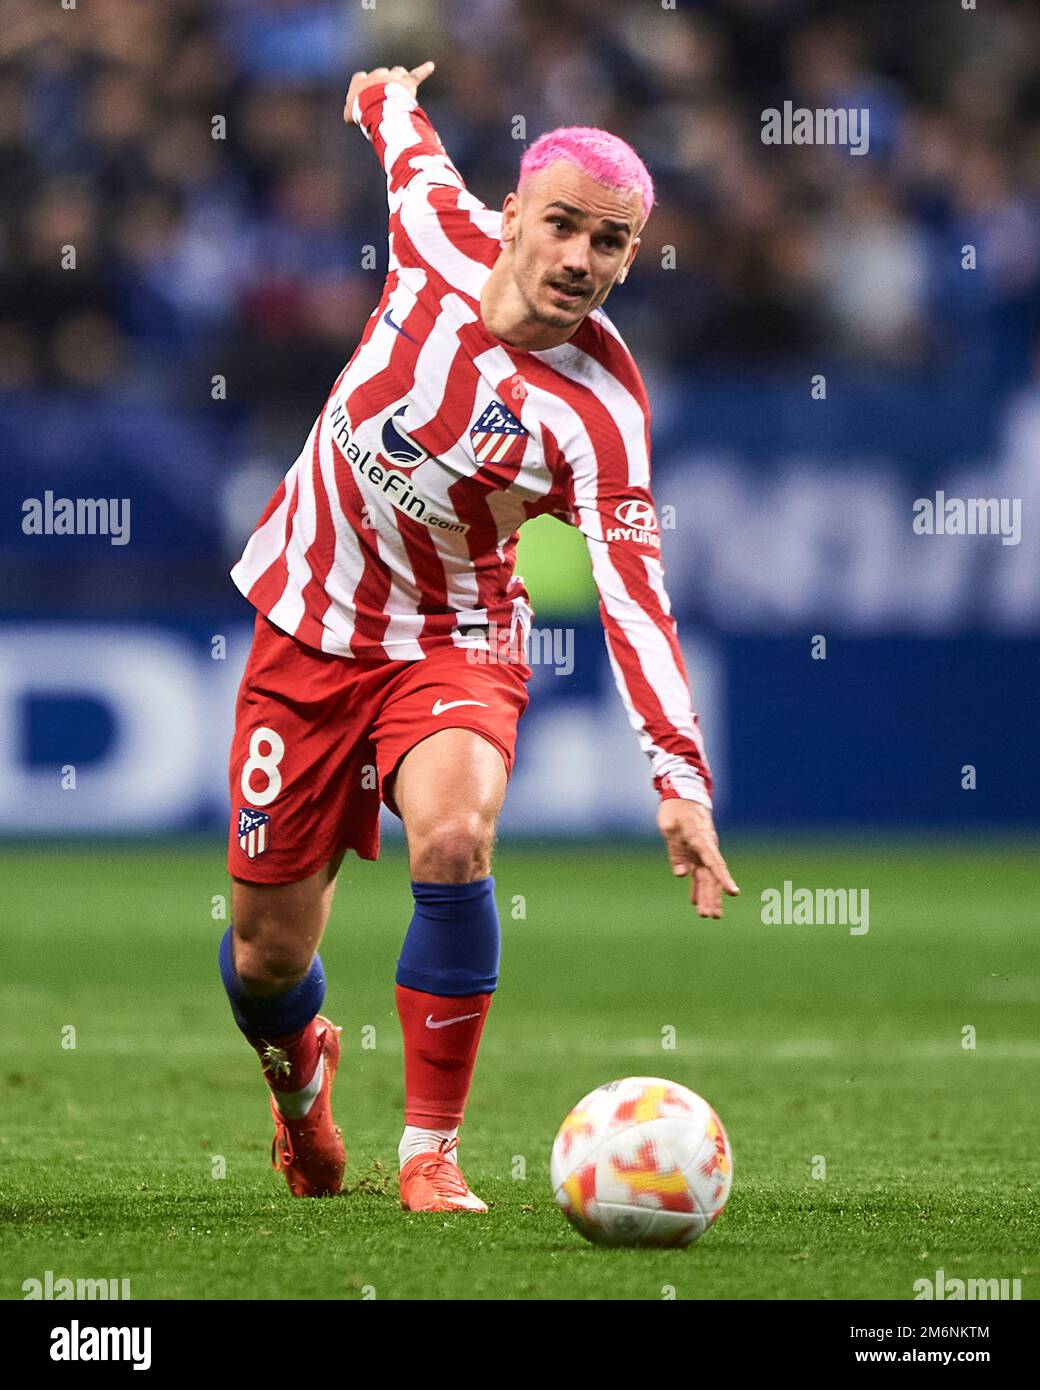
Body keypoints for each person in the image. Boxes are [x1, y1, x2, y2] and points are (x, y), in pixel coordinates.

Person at [219, 60, 739, 1213]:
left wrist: (677, 776)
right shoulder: (434, 235)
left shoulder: (599, 416)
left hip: (452, 636)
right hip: (304, 626)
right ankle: (299, 1082)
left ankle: (429, 1150)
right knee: (264, 959)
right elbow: (397, 133)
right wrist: (378, 90)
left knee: (452, 840)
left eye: (609, 245)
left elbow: (634, 596)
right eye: (560, 226)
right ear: (509, 217)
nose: (578, 261)